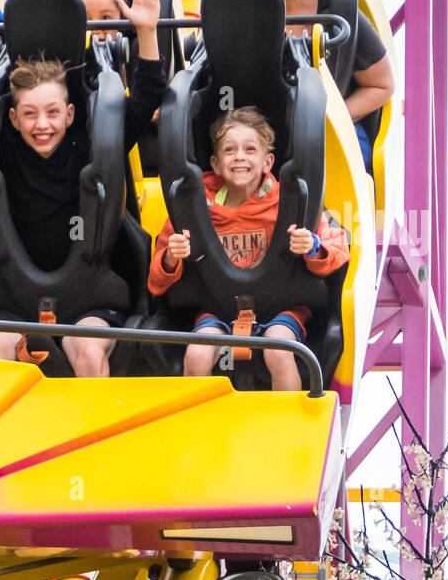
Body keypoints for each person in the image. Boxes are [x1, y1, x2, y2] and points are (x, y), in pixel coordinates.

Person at [0, 0, 167, 377]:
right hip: (13, 293)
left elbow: (146, 98)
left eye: (53, 113)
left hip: (88, 290)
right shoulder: (2, 145)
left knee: (86, 350)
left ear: (70, 114)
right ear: (15, 118)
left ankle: (94, 438)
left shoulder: (93, 143)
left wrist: (146, 33)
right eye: (31, 115)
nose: (43, 125)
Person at [148, 107, 348, 391]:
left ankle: (287, 423)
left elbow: (338, 249)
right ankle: (194, 426)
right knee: (196, 353)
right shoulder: (193, 208)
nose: (239, 156)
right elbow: (156, 281)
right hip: (219, 306)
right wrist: (171, 258)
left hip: (282, 307)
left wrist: (312, 247)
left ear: (268, 162)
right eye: (229, 150)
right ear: (216, 164)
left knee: (278, 351)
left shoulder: (291, 203)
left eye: (250, 149)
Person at [255, 0, 394, 168]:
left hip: (329, 134)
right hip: (259, 135)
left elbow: (382, 86)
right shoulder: (239, 14)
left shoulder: (340, 15)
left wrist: (332, 119)